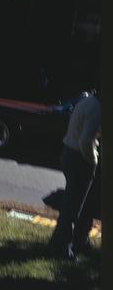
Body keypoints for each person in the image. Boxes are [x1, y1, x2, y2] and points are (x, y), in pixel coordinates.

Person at [49, 89, 101, 260]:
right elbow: (86, 140)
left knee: (73, 205)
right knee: (72, 208)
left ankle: (64, 243)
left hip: (69, 152)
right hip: (80, 158)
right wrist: (93, 159)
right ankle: (62, 249)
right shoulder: (97, 108)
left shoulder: (87, 101)